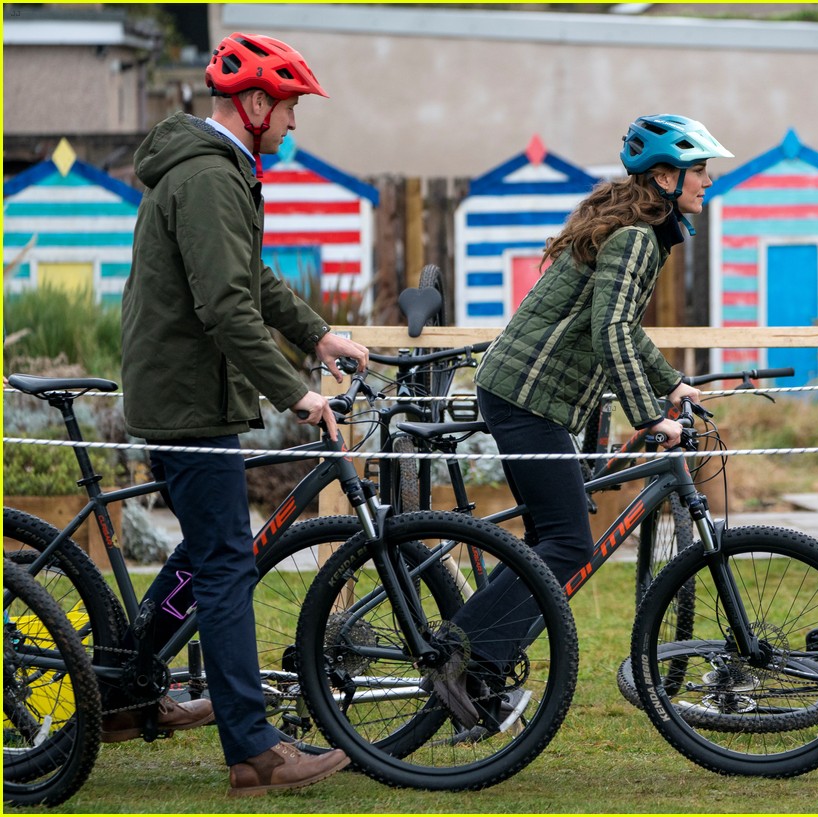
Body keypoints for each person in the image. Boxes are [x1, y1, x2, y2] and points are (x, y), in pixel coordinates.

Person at [118, 32, 366, 796]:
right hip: (189, 404)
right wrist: (295, 392)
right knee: (227, 566)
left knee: (205, 551)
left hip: (186, 396)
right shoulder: (208, 176)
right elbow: (224, 306)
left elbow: (248, 276)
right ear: (255, 103)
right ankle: (254, 750)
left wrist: (317, 334)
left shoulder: (215, 171)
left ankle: (125, 691)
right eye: (290, 109)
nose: (294, 125)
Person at [427, 114, 732, 731]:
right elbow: (611, 330)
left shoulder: (636, 230)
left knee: (550, 547)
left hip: (523, 396)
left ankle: (476, 669)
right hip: (527, 400)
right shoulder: (637, 239)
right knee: (567, 545)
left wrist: (670, 383)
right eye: (700, 171)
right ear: (667, 177)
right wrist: (651, 418)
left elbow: (620, 328)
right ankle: (461, 654)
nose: (708, 182)